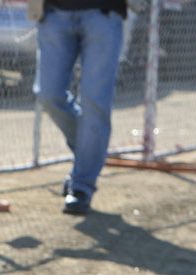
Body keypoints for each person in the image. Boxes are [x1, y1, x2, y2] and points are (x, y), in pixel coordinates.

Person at [32, 0, 126, 215]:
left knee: (94, 103)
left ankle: (82, 186)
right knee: (48, 95)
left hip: (103, 13)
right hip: (55, 13)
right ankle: (88, 152)